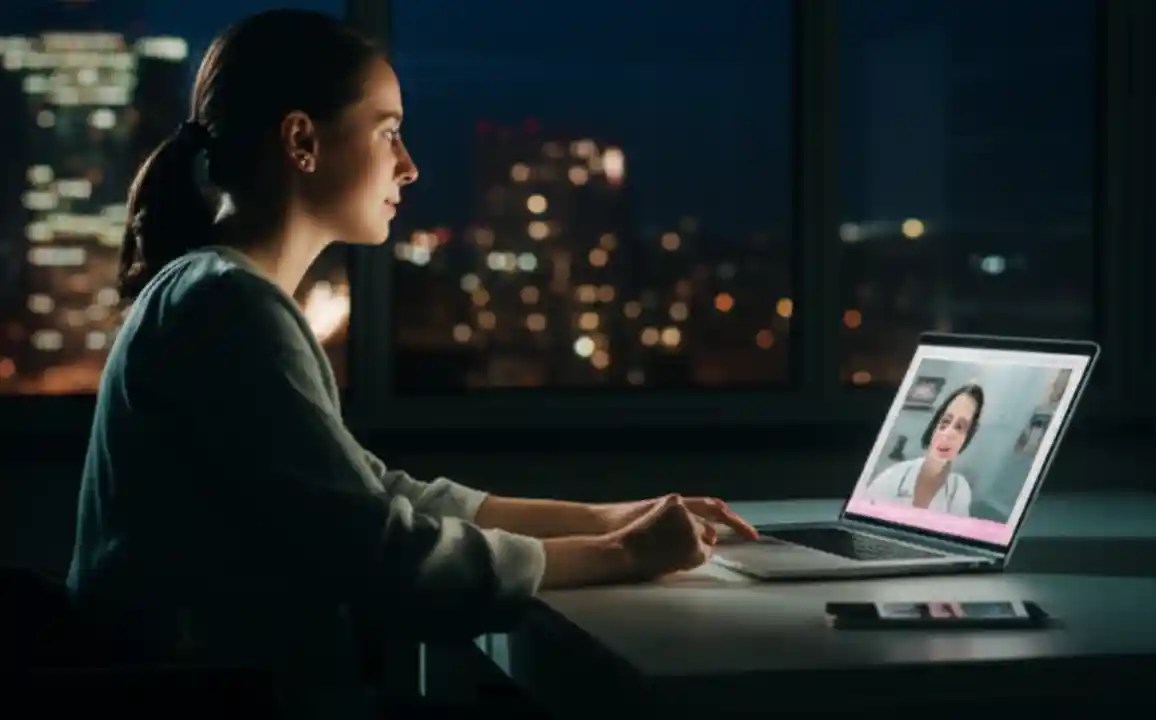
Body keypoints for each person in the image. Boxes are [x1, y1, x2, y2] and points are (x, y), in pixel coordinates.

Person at [64, 9, 757, 719]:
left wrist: (611, 517)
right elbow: (384, 554)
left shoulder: (214, 292)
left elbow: (374, 494)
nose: (410, 165)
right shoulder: (226, 307)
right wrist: (620, 557)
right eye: (388, 131)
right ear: (302, 140)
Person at [861, 384, 985, 516]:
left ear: (967, 437)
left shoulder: (959, 489)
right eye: (945, 421)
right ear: (934, 426)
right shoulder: (891, 478)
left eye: (960, 427)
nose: (948, 433)